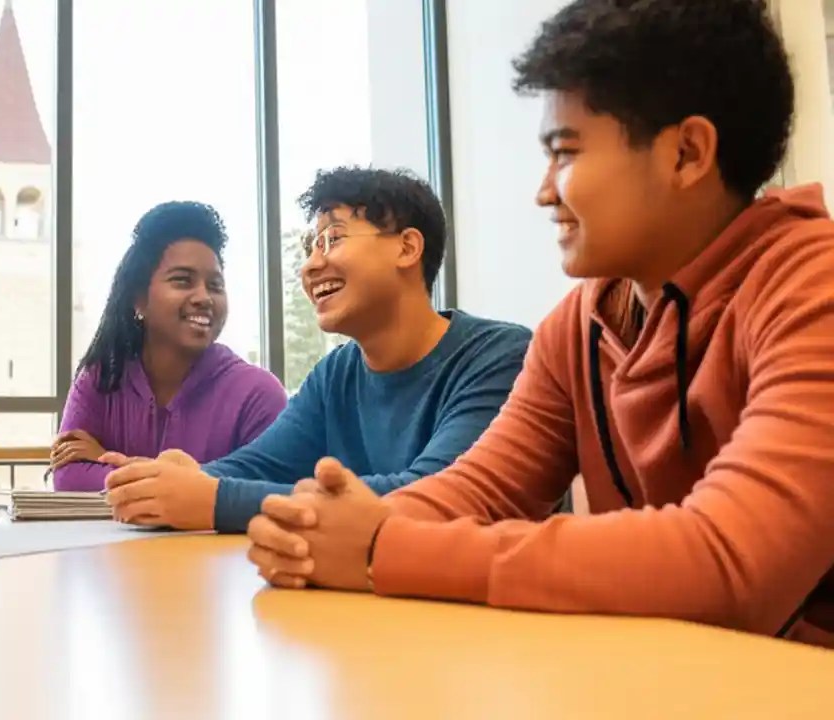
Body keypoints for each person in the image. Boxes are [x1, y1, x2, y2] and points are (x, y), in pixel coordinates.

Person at [246, 0, 834, 648]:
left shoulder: (814, 288)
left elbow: (731, 561)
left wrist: (383, 546)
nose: (545, 190)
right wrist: (326, 536)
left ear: (687, 153)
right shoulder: (576, 327)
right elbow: (481, 488)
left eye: (566, 152)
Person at [105, 168, 532, 532]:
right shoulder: (335, 375)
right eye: (310, 248)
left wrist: (212, 498)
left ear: (407, 248)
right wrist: (186, 477)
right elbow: (260, 465)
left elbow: (435, 494)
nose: (310, 266)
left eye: (332, 240)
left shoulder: (500, 357)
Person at [52, 201, 287, 492]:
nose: (204, 297)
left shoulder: (258, 394)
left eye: (215, 285)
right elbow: (68, 479)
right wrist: (180, 483)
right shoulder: (101, 378)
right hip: (112, 541)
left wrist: (109, 461)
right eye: (182, 281)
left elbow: (262, 492)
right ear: (139, 299)